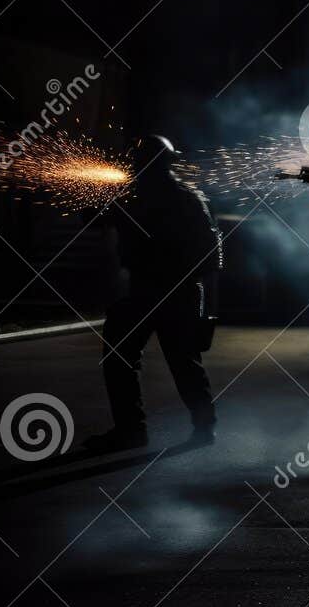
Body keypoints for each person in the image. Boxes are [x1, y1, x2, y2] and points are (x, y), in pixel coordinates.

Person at [84, 135, 221, 453]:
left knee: (133, 359)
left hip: (159, 290)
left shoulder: (151, 198)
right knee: (182, 361)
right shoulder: (180, 197)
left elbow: (208, 251)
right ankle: (202, 427)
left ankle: (133, 431)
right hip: (169, 291)